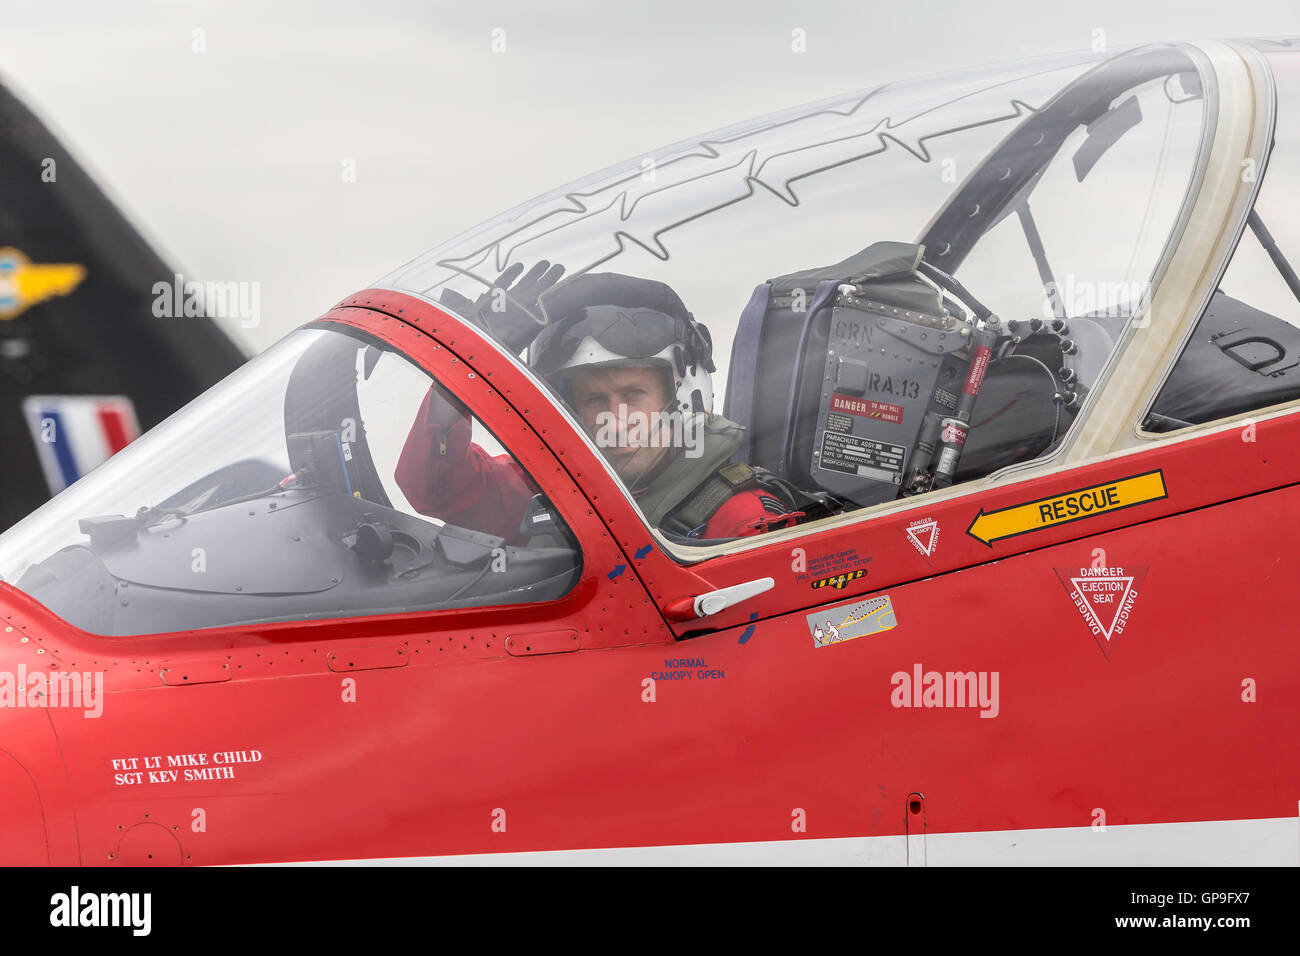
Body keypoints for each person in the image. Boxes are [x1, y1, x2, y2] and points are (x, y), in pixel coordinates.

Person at [395, 264, 804, 542]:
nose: (617, 417)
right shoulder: (548, 494)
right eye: (595, 399)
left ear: (679, 397)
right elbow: (435, 488)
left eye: (633, 394)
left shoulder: (740, 518)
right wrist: (462, 371)